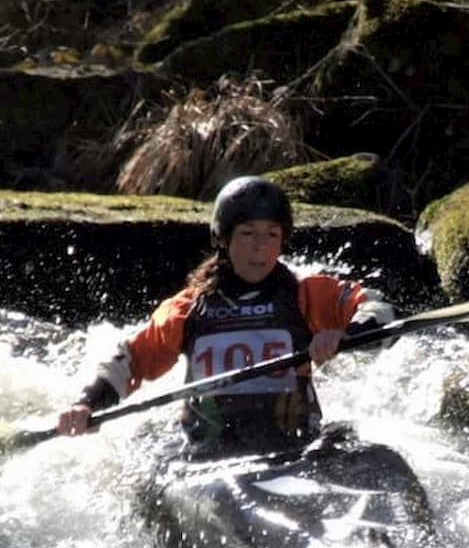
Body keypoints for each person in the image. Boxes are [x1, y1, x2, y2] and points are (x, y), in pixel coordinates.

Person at [57, 175, 394, 457]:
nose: (260, 247)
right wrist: (87, 404)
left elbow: (378, 309)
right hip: (212, 457)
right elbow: (131, 360)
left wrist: (346, 334)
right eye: (248, 233)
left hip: (296, 450)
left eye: (272, 235)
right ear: (223, 238)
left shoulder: (308, 294)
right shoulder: (187, 309)